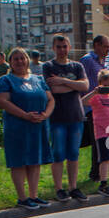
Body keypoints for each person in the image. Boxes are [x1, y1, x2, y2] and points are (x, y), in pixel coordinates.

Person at [0, 46, 59, 207]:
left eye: (22, 58)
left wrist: (45, 114)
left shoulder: (38, 79)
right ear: (10, 62)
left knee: (34, 161)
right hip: (17, 127)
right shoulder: (6, 80)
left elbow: (50, 99)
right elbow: (3, 101)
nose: (19, 61)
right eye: (15, 59)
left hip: (37, 126)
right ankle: (23, 198)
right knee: (19, 162)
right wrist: (25, 115)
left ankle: (34, 195)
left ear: (28, 60)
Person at [42, 33, 89, 194]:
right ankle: (59, 188)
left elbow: (85, 86)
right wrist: (74, 85)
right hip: (57, 117)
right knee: (58, 153)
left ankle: (73, 186)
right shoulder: (48, 66)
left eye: (64, 46)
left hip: (76, 115)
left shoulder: (77, 66)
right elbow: (53, 89)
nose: (62, 50)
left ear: (69, 47)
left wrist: (63, 81)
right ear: (53, 48)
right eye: (58, 47)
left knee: (73, 153)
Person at [79, 34, 109, 181]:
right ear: (96, 45)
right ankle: (96, 174)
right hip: (92, 108)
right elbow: (83, 82)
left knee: (106, 142)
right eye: (105, 46)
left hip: (105, 108)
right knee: (97, 143)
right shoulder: (87, 60)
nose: (108, 50)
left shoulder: (103, 62)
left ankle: (103, 173)